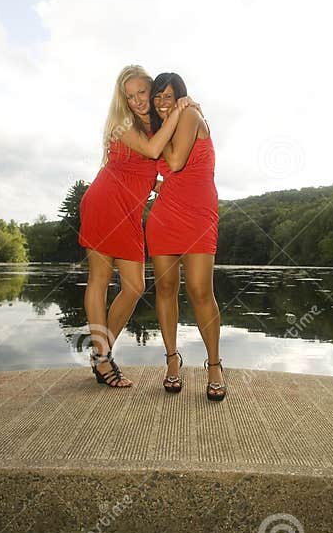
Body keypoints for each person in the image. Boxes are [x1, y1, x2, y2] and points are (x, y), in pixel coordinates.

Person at [78, 65, 195, 387]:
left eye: (143, 92)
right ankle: (102, 360)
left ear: (152, 90)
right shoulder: (122, 124)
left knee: (135, 287)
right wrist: (181, 107)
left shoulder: (154, 123)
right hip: (103, 204)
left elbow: (144, 167)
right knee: (99, 280)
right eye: (130, 96)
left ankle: (101, 353)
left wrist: (159, 186)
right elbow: (152, 151)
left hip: (130, 212)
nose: (138, 100)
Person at [145, 72, 224, 401]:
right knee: (165, 289)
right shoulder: (156, 130)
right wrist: (161, 189)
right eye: (157, 97)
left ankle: (215, 366)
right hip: (164, 217)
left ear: (180, 96)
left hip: (199, 216)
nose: (162, 103)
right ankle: (172, 361)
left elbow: (175, 161)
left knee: (200, 290)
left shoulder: (189, 115)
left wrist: (178, 111)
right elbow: (151, 174)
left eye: (168, 96)